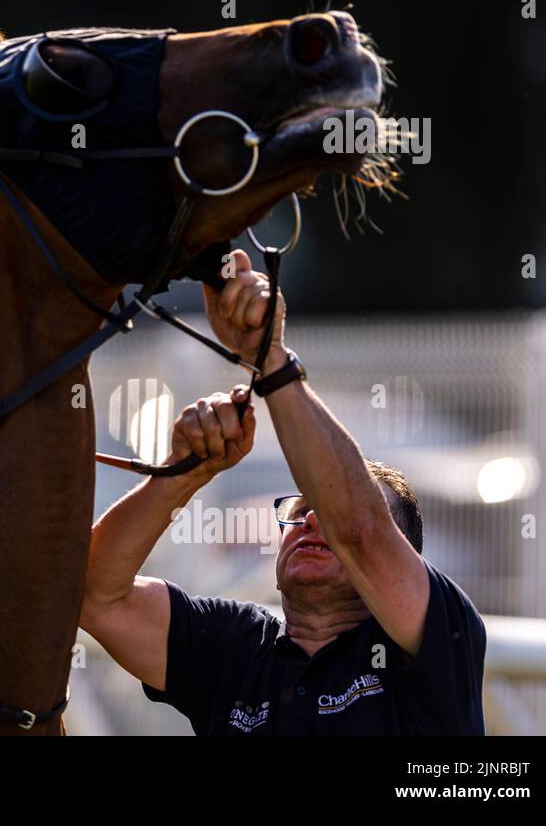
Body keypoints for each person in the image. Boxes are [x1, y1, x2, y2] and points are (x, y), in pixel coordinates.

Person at [80, 250, 486, 734]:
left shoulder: (436, 637)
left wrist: (269, 359)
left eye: (329, 516)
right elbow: (94, 594)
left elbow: (361, 531)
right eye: (301, 510)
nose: (314, 520)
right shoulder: (234, 647)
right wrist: (181, 474)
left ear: (401, 566)